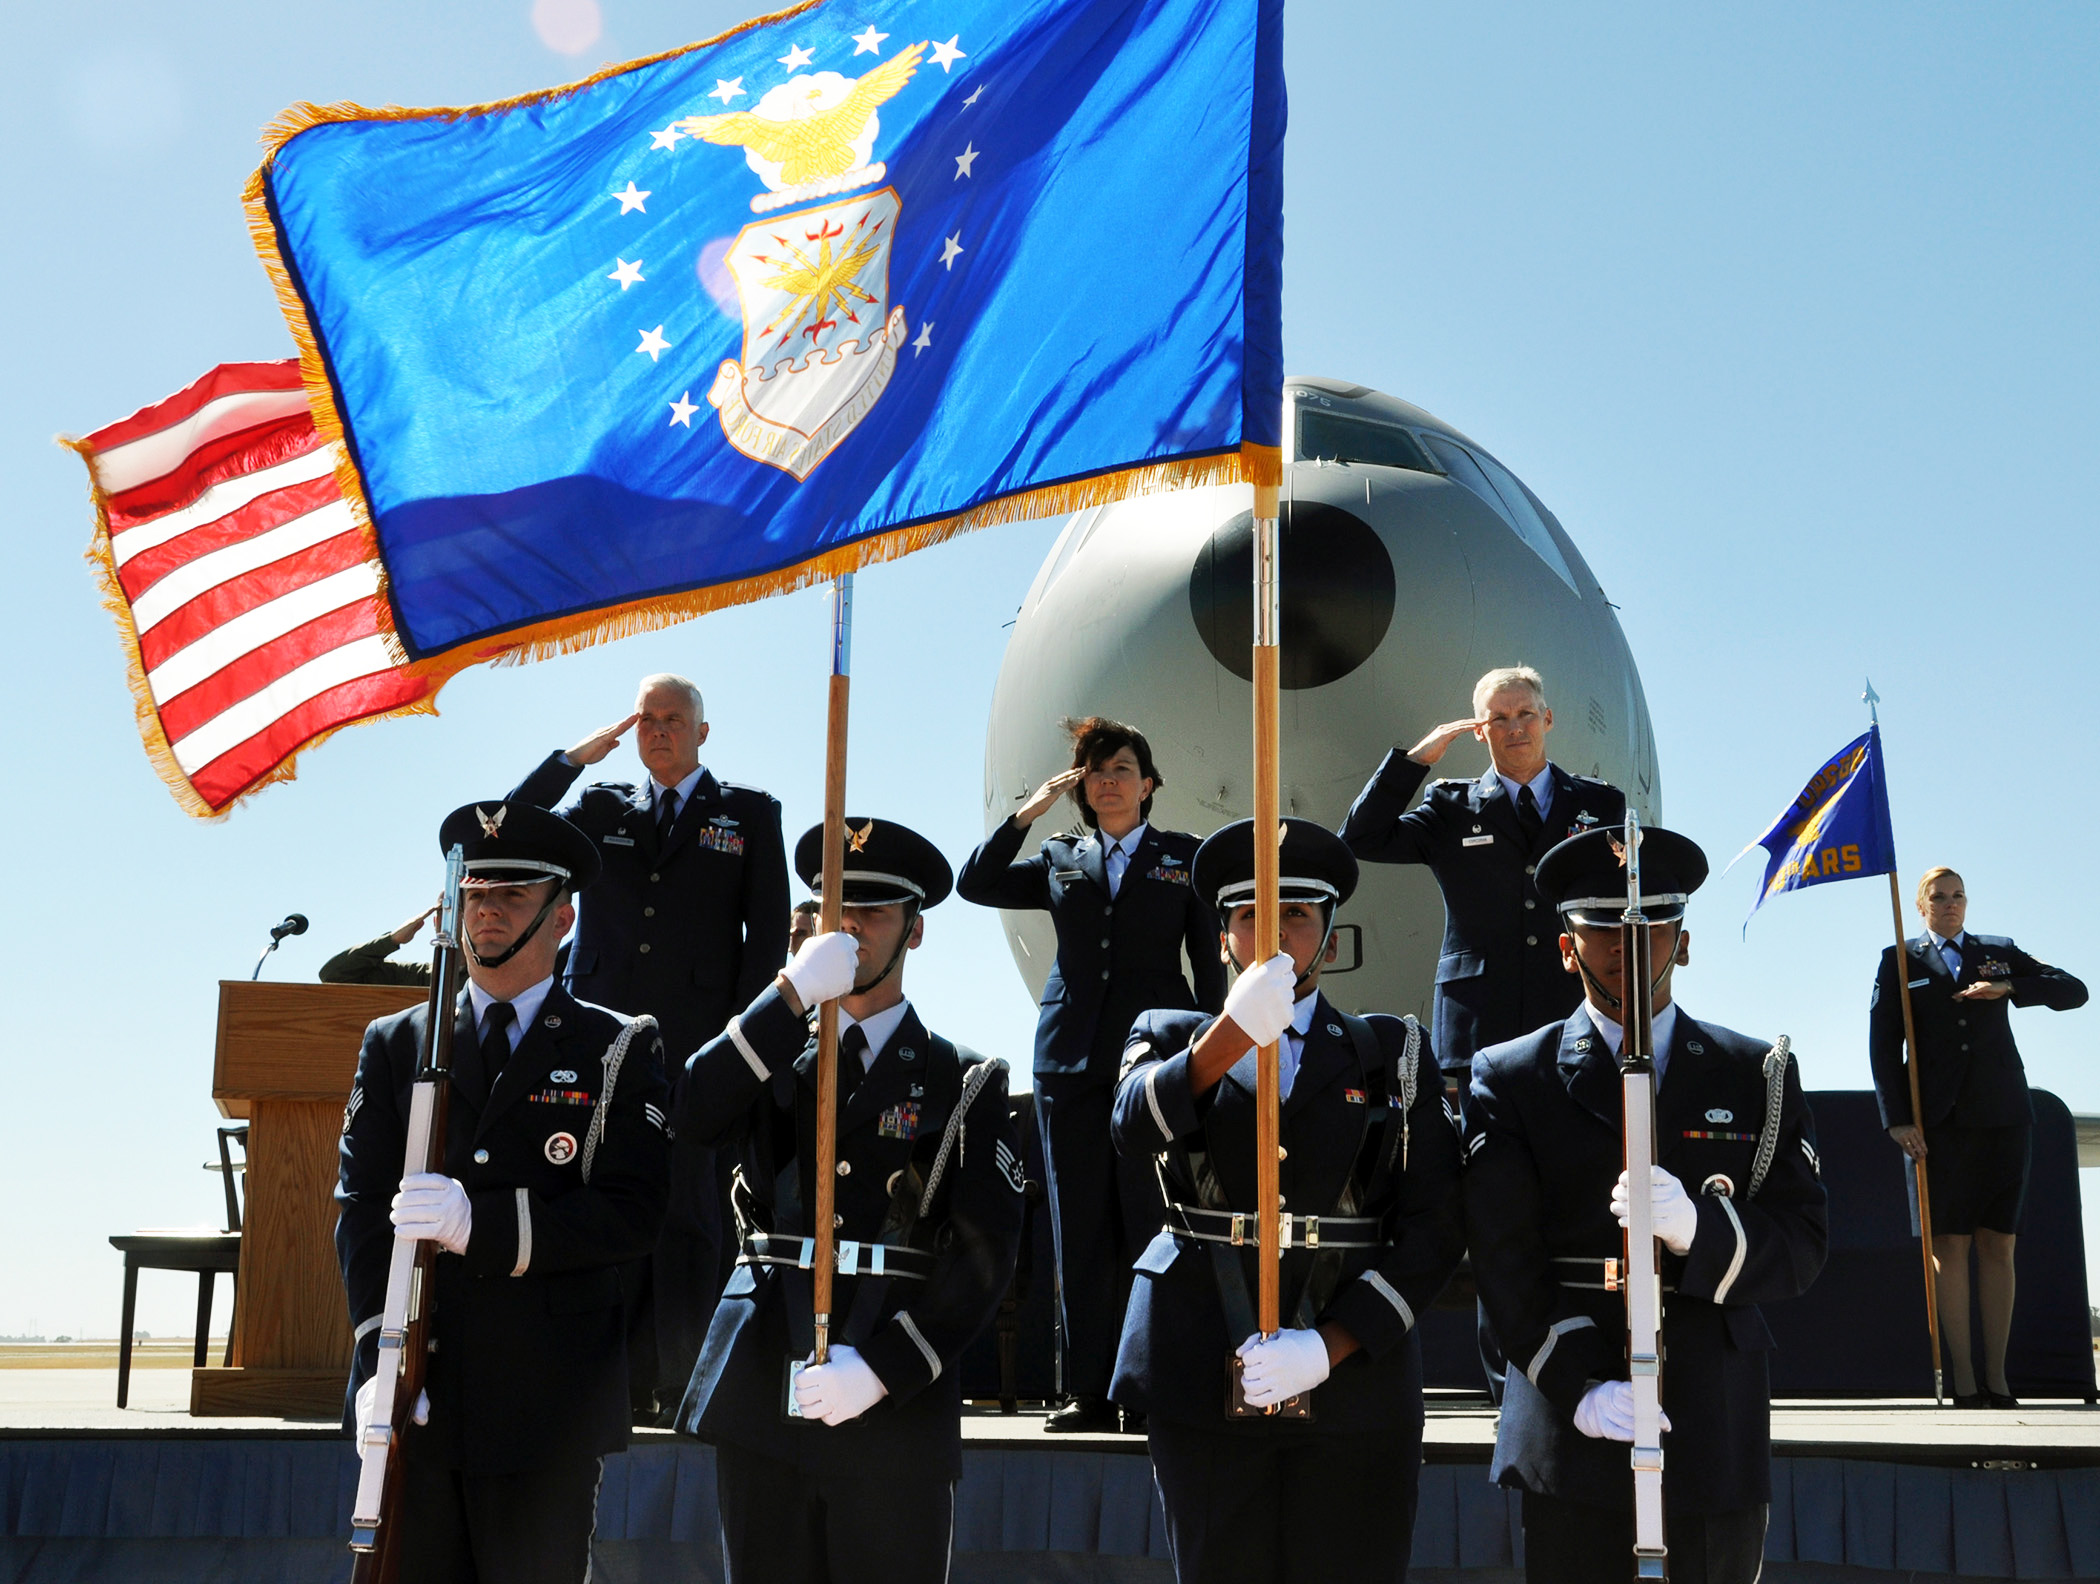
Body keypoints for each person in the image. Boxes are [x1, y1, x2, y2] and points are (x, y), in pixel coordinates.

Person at [1466, 825, 1827, 1584]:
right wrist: (1579, 1389)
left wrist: (1702, 1228)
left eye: (1650, 924)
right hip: (1572, 1420)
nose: (1625, 944)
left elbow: (1801, 1242)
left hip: (1708, 1423)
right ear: (1567, 949)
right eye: (1601, 928)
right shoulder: (1512, 1076)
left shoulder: (1753, 1073)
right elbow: (1502, 1260)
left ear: (1684, 943)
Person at [1110, 818, 1465, 1584]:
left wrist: (1329, 1346)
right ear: (1222, 940)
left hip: (1355, 1383)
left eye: (1297, 915)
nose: (1273, 935)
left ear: (1330, 941)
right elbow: (1131, 1127)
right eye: (1250, 917)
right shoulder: (1167, 1033)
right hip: (1201, 1364)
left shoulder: (1391, 1053)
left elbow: (1435, 1228)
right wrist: (1229, 1038)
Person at [675, 818, 1025, 1584]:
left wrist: (885, 1370)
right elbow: (691, 1112)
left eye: (875, 911)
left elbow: (984, 1259)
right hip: (766, 1378)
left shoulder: (963, 1079)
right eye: (837, 909)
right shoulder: (773, 1046)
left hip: (894, 1402)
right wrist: (790, 992)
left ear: (916, 931)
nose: (854, 928)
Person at [336, 801, 670, 1584]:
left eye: (513, 895)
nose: (488, 910)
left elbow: (634, 1210)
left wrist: (477, 1225)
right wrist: (377, 1357)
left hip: (545, 1408)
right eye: (476, 892)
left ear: (564, 918)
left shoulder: (617, 1046)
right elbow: (359, 1211)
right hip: (420, 1392)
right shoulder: (397, 1043)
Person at [511, 672, 790, 1419]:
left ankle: (684, 1381)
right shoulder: (599, 807)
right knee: (598, 1203)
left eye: (674, 719)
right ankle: (611, 1377)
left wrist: (745, 1048)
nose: (659, 730)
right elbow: (508, 825)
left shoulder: (749, 814)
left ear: (703, 732)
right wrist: (572, 761)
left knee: (688, 1212)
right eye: (646, 719)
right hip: (597, 1043)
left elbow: (765, 938)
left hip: (698, 1048)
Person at [957, 716, 1225, 1433]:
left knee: (1149, 1223)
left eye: (1123, 769)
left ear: (1149, 783)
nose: (1109, 782)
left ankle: (1144, 1387)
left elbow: (1207, 974)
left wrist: (1207, 1059)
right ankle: (1089, 1392)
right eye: (1096, 771)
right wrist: (1027, 812)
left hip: (1152, 1068)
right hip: (1068, 1061)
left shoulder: (1183, 859)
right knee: (1079, 1230)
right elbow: (974, 883)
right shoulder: (1059, 855)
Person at [1338, 665, 1624, 1098]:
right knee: (1489, 1157)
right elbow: (1361, 837)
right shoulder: (1451, 806)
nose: (1515, 728)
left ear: (1547, 719)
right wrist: (1415, 762)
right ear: (1478, 731)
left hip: (1574, 1009)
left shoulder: (1599, 804)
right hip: (1480, 1019)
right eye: (1498, 719)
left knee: (1575, 1157)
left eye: (1526, 714)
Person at [1868, 866, 2087, 1407]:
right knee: (1950, 1246)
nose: (1950, 904)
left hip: (2005, 1116)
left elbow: (2073, 990)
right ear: (1922, 906)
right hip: (1939, 1124)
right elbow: (1881, 1045)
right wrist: (1898, 1118)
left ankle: (1999, 1380)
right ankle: (1964, 1381)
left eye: (1958, 896)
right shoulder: (1900, 960)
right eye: (1939, 897)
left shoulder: (1998, 950)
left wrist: (2009, 986)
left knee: (2000, 1244)